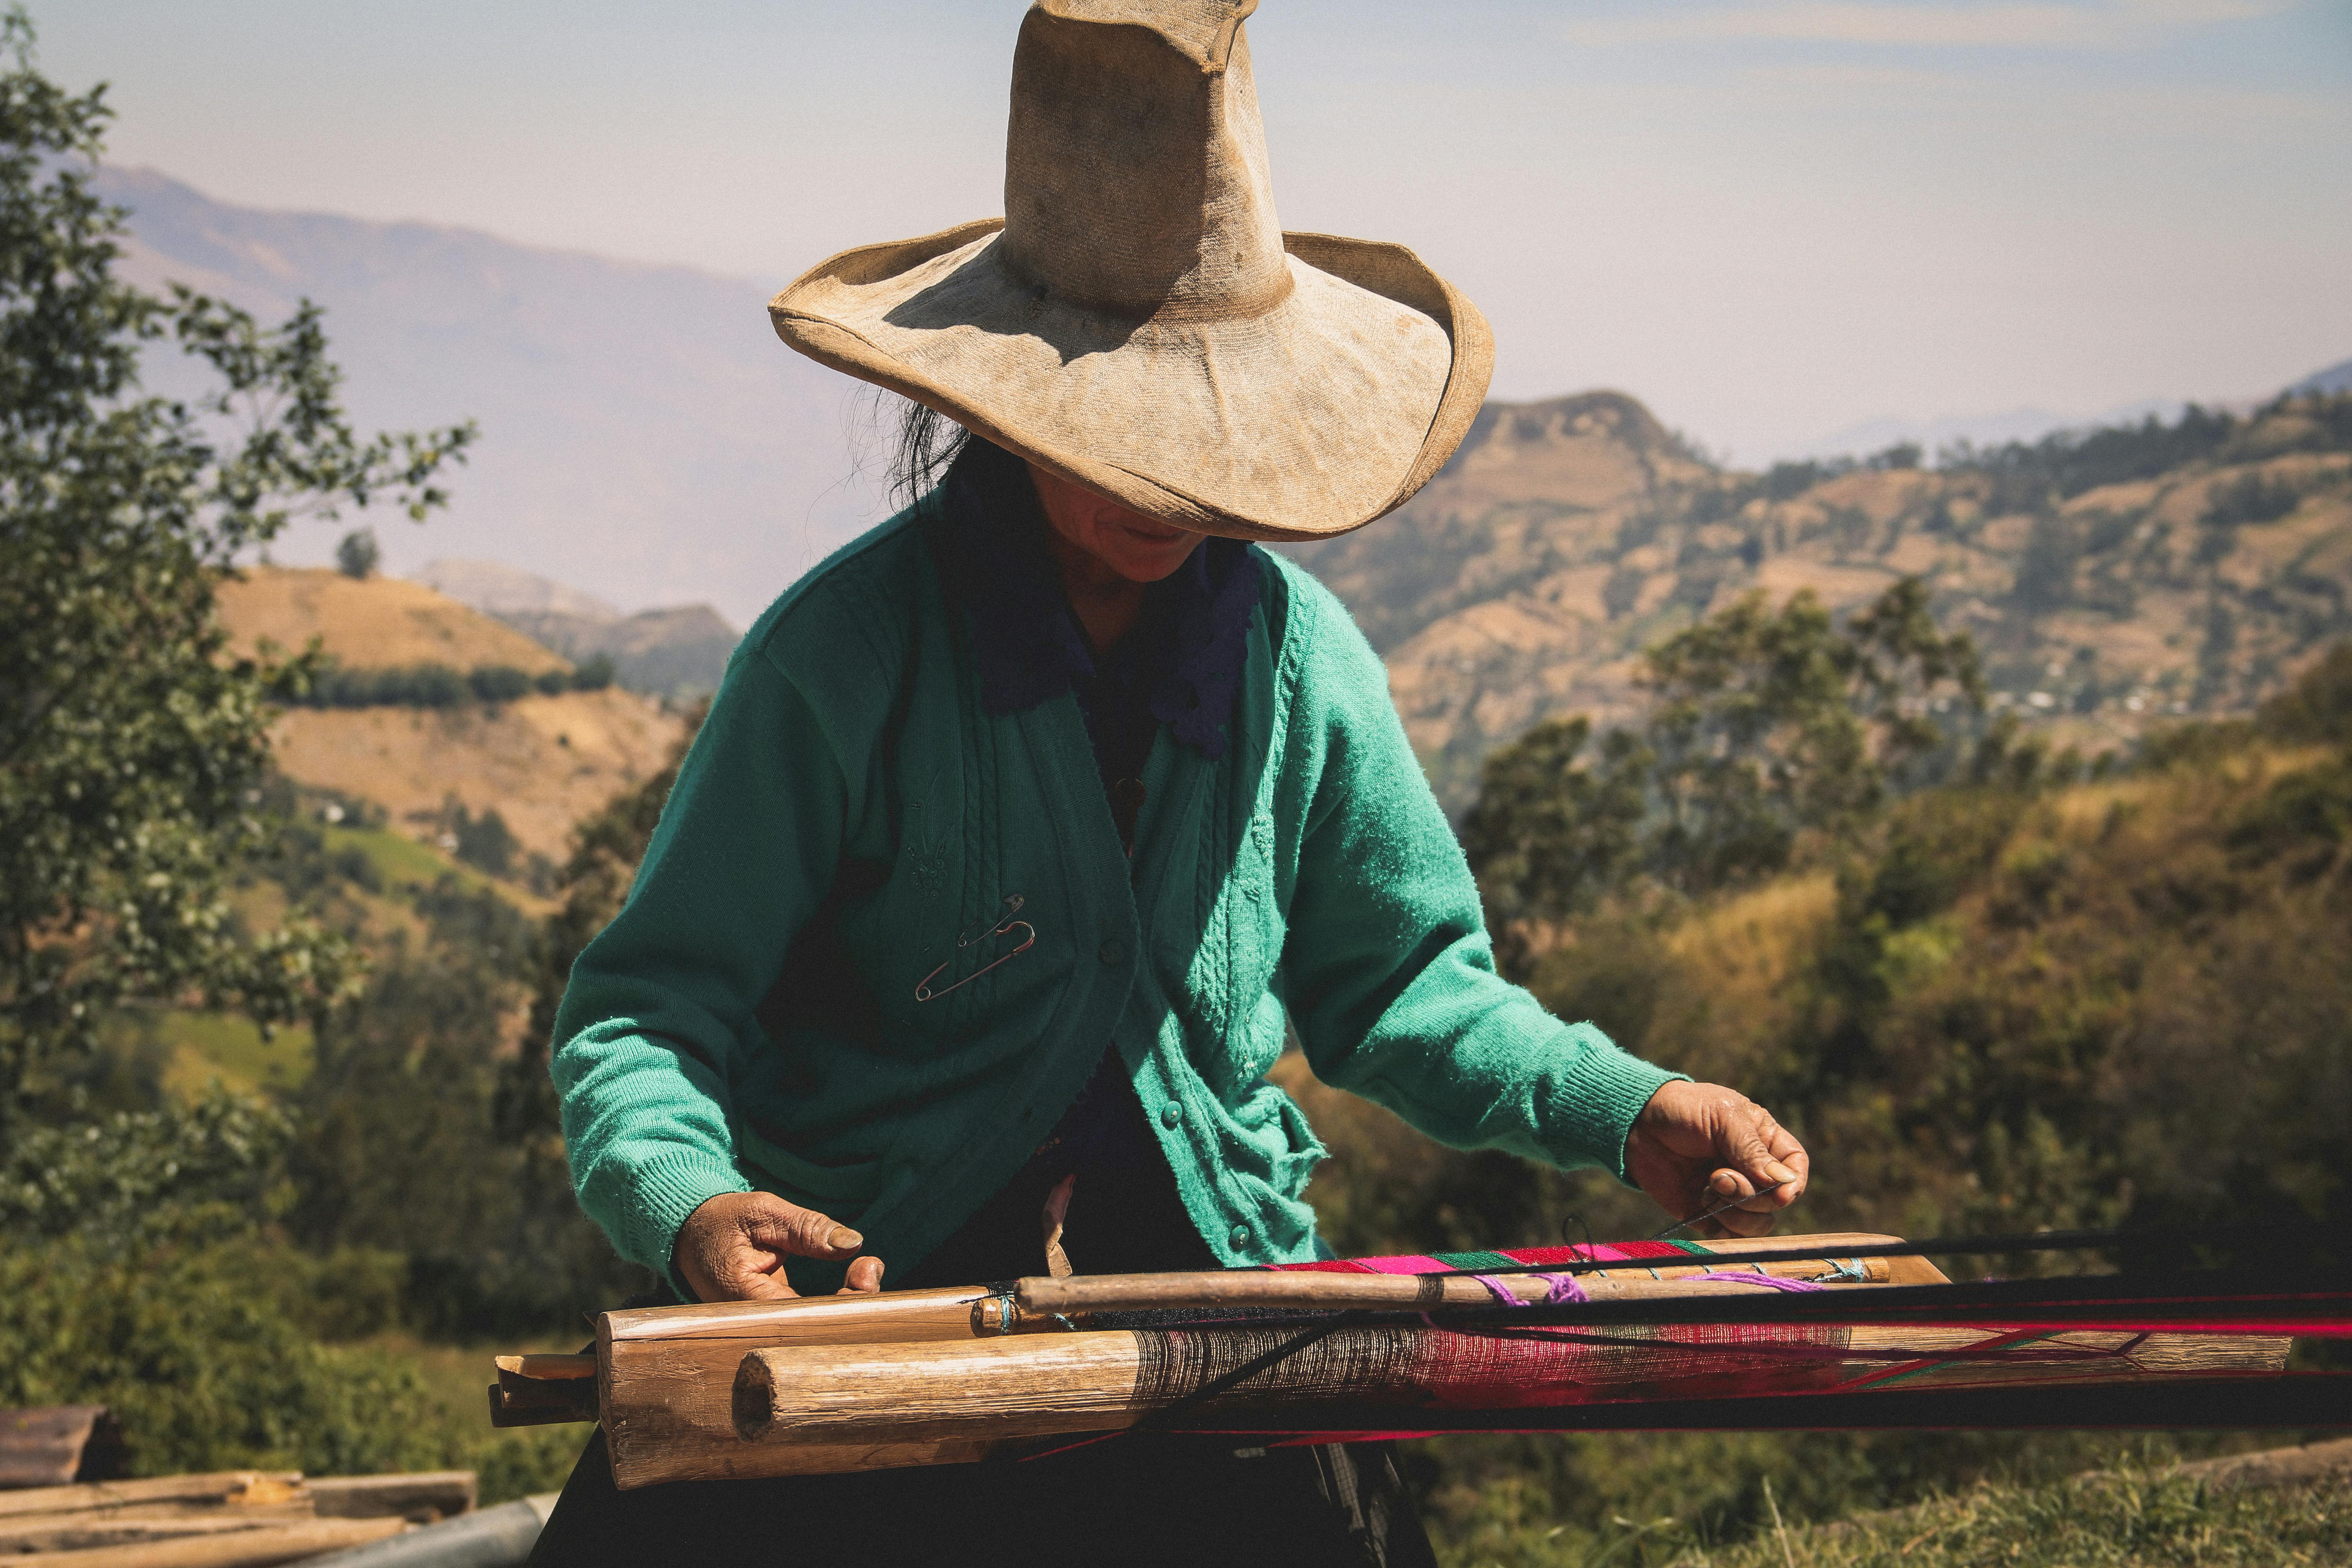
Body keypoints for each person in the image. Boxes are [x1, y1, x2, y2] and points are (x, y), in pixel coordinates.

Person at [530, 4, 1808, 1563]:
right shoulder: (844, 660)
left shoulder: (1295, 660)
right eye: (1117, 430)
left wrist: (1629, 1107)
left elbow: (1408, 988)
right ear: (1005, 398)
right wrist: (690, 1201)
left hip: (1220, 1343)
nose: (1168, 490)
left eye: (1200, 434)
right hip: (874, 1347)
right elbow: (643, 1014)